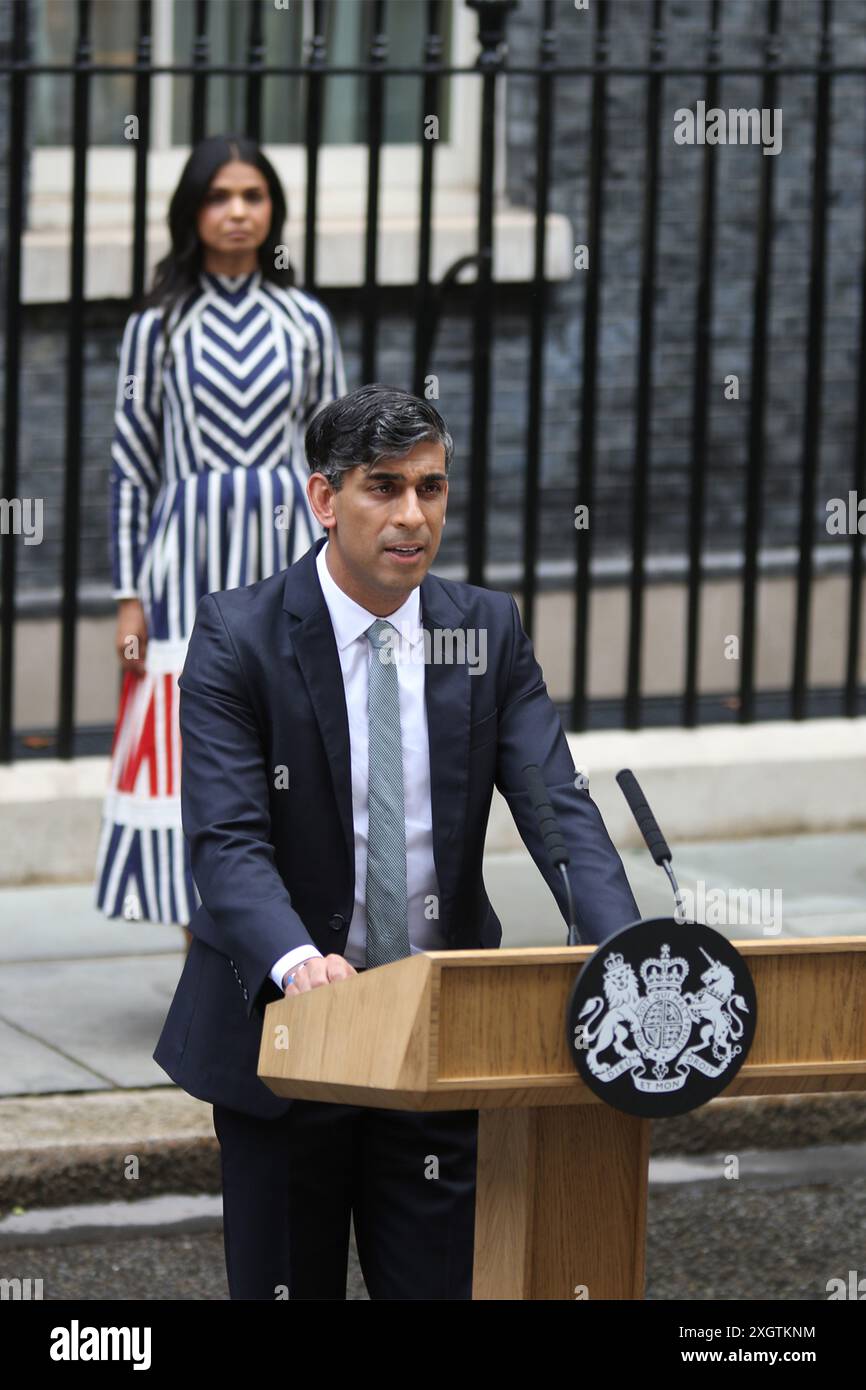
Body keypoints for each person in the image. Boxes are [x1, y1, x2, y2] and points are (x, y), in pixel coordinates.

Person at [153, 384, 641, 1300]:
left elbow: (555, 807)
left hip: (434, 1042)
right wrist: (300, 962)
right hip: (288, 1037)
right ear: (325, 500)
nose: (413, 515)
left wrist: (623, 948)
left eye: (432, 487)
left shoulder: (485, 630)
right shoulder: (238, 636)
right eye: (384, 487)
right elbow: (226, 842)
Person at [93, 134, 346, 941]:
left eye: (252, 196)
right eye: (218, 197)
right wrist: (129, 596)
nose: (236, 212)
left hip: (284, 544)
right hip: (184, 557)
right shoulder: (156, 326)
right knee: (188, 733)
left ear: (273, 210)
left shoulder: (306, 321)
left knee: (286, 723)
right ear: (192, 213)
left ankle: (282, 934)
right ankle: (199, 943)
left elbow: (336, 455)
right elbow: (131, 466)